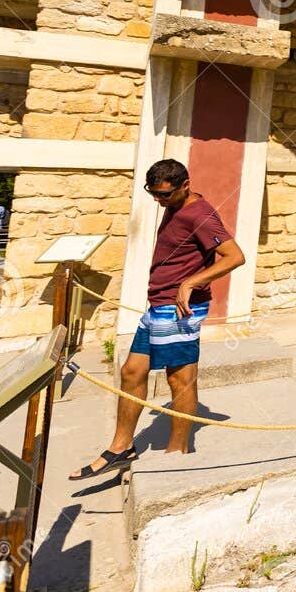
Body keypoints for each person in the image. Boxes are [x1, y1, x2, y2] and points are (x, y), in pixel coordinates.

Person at [70, 159, 244, 480]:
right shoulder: (175, 203)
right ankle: (122, 447)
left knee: (180, 379)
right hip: (158, 304)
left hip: (177, 309)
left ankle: (177, 453)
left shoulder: (200, 214)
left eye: (164, 195)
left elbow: (235, 256)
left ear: (185, 185)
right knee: (132, 371)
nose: (158, 200)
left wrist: (191, 282)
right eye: (153, 193)